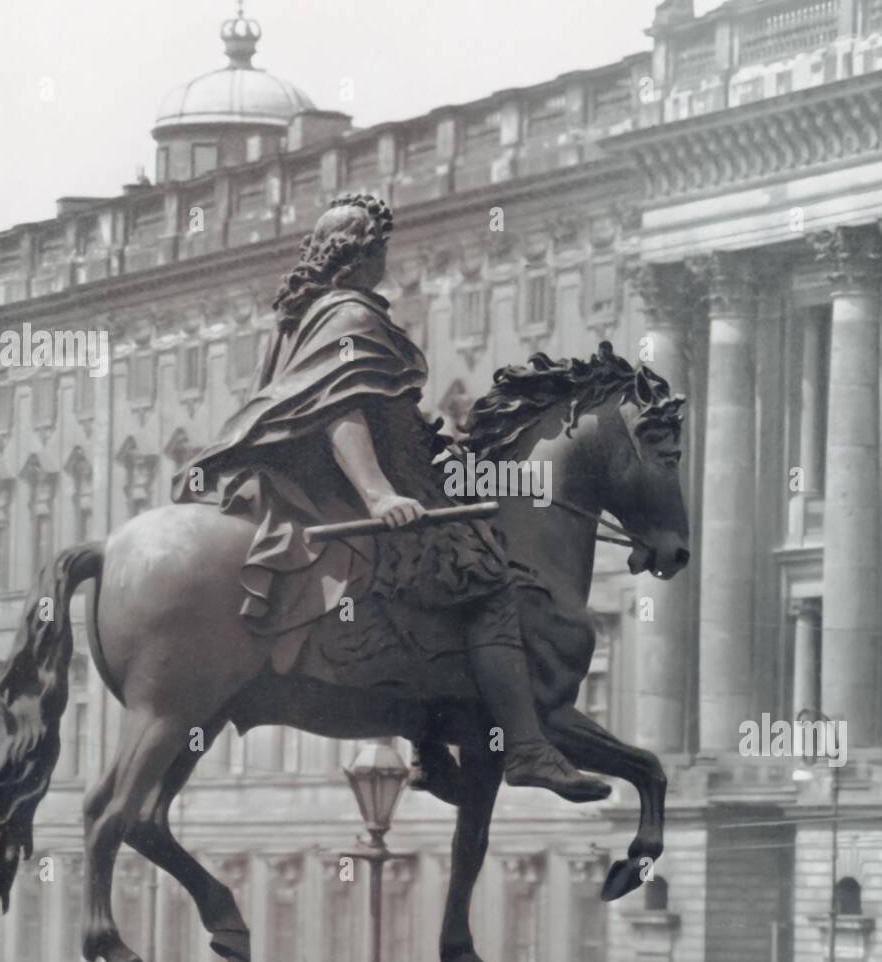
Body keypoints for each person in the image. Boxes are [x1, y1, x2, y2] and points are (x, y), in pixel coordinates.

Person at [173, 193, 609, 804]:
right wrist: (379, 495)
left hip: (340, 490)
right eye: (381, 249)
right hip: (354, 499)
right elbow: (340, 407)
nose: (385, 260)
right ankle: (527, 749)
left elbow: (377, 413)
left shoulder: (301, 318)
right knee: (488, 583)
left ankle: (429, 750)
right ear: (363, 255)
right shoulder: (349, 315)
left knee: (430, 595)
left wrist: (437, 450)